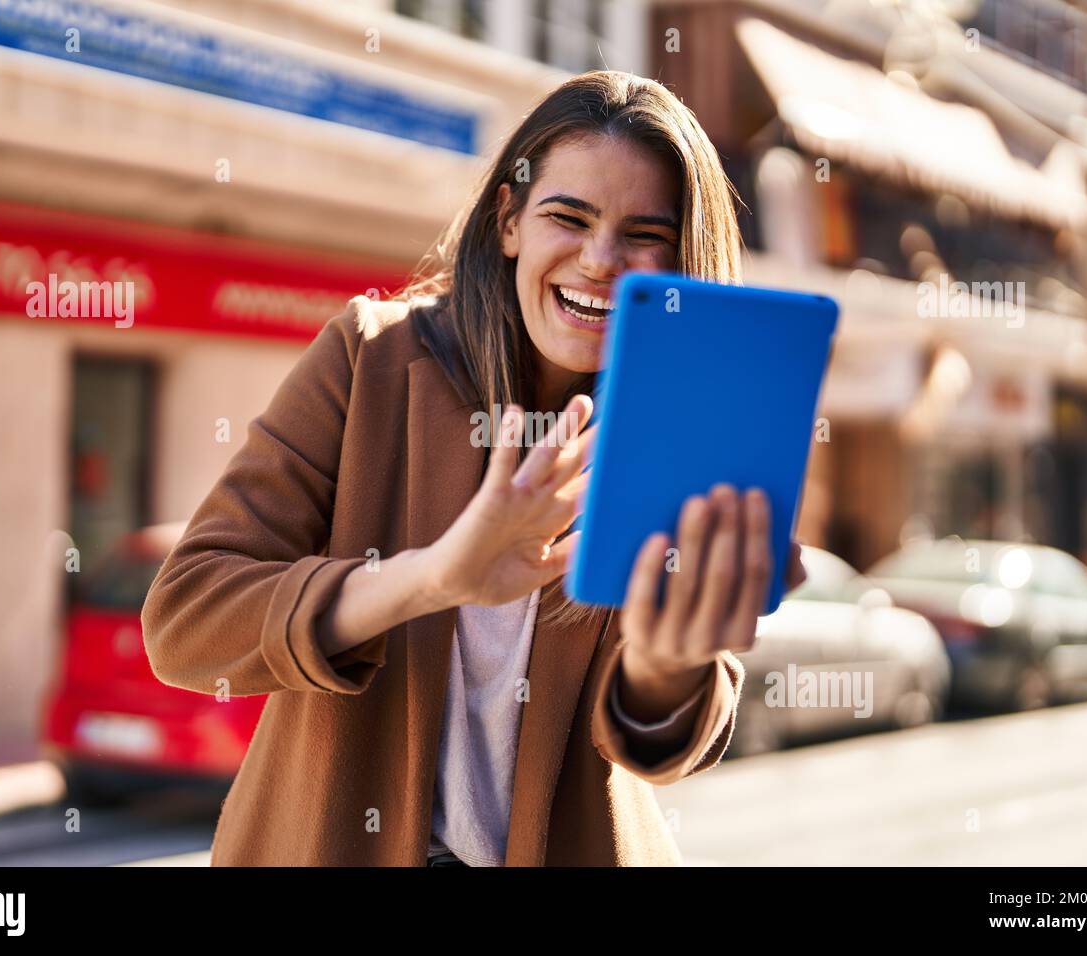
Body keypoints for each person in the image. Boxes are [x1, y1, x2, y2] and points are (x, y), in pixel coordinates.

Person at [141, 70, 804, 867]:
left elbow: (667, 746)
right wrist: (434, 576)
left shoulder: (689, 429)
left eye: (644, 234)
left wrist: (665, 664)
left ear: (680, 261)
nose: (601, 260)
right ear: (510, 220)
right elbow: (185, 622)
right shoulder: (370, 359)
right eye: (570, 215)